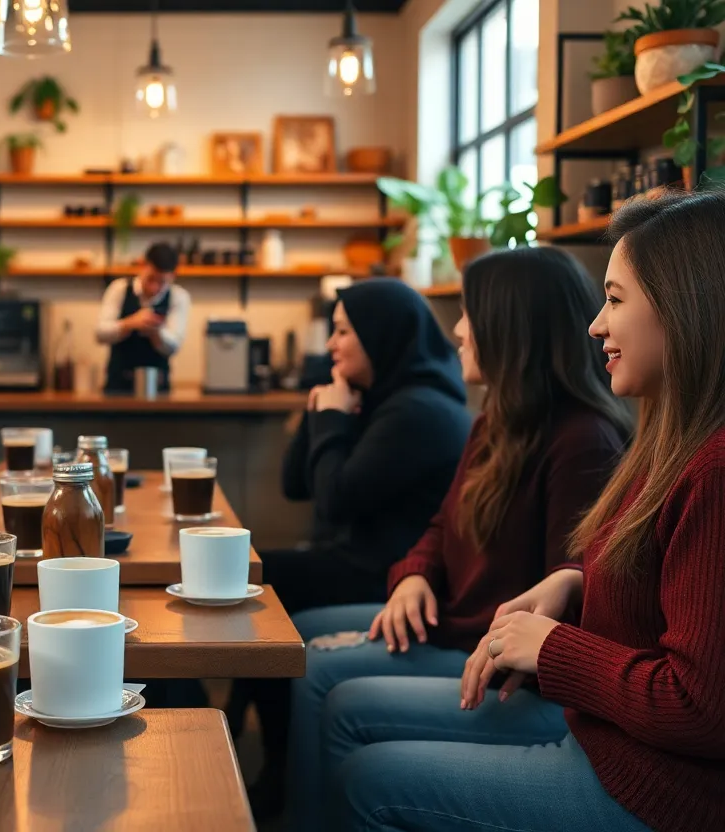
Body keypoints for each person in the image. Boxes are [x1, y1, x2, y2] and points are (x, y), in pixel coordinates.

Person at [328, 192, 725, 832]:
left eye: (617, 300)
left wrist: (553, 646)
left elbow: (700, 706)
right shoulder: (664, 443)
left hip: (653, 788)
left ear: (686, 307)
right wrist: (576, 583)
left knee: (364, 773)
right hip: (607, 742)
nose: (597, 325)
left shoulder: (701, 463)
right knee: (341, 708)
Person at [286, 248, 632, 829]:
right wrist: (415, 575)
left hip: (503, 667)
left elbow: (569, 603)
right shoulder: (493, 422)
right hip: (458, 627)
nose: (457, 330)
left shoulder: (582, 441)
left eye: (470, 313)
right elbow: (440, 526)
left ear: (511, 328)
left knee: (323, 679)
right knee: (299, 642)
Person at [238, 278, 472, 817]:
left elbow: (334, 501)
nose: (331, 345)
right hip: (363, 559)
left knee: (259, 582)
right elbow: (296, 484)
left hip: (392, 576)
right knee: (258, 576)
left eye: (343, 331)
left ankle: (276, 758)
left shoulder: (419, 410)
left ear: (380, 335)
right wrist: (322, 404)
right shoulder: (385, 396)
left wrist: (332, 419)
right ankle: (269, 749)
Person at [96, 242, 191, 393]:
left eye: (162, 282)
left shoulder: (178, 297)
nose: (155, 287)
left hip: (158, 387)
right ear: (143, 265)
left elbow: (174, 346)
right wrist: (130, 323)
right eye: (151, 279)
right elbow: (100, 334)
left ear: (173, 276)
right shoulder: (118, 289)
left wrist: (156, 332)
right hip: (118, 386)